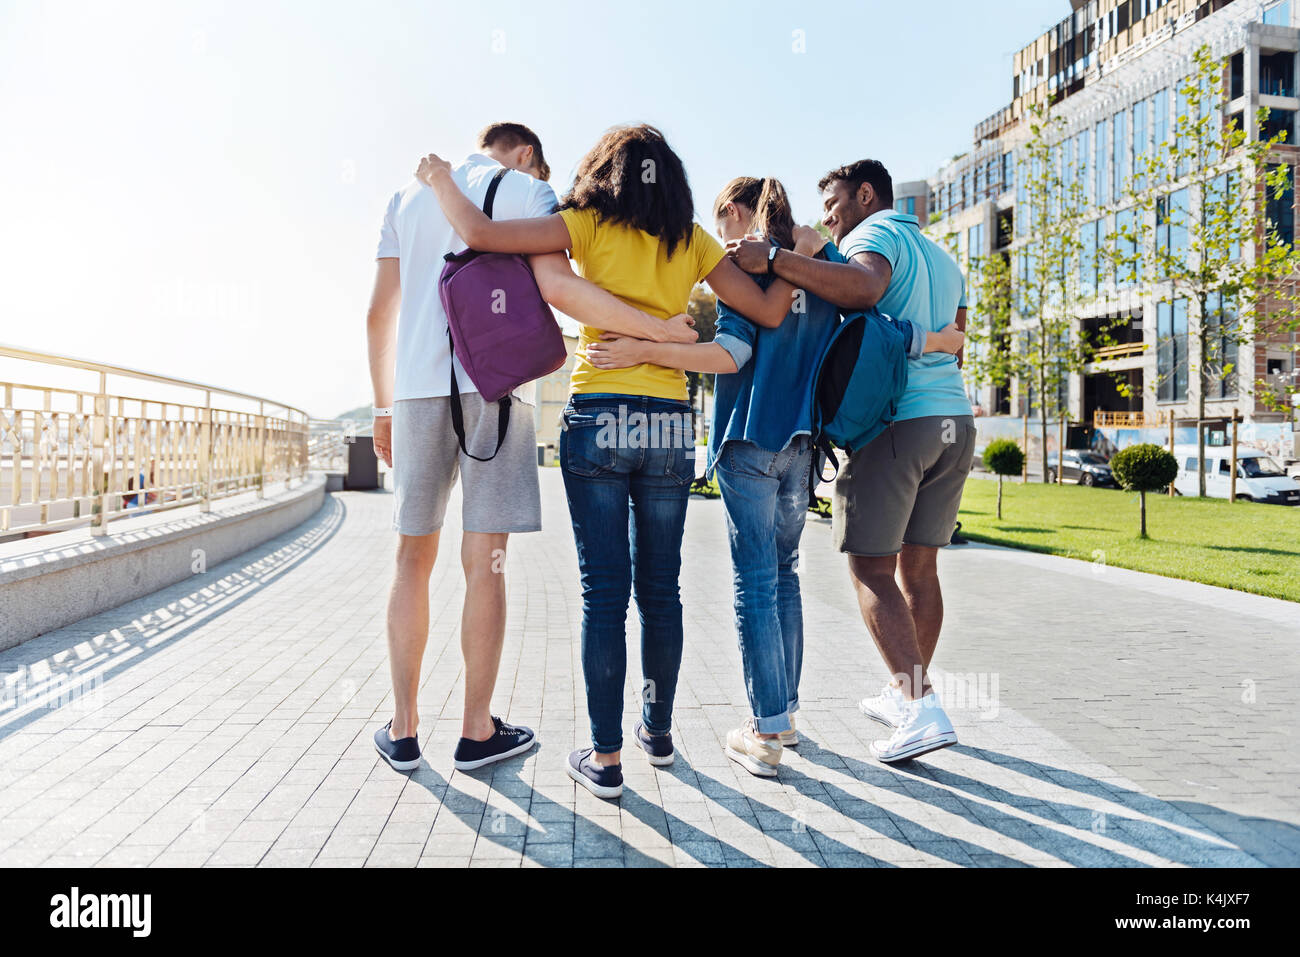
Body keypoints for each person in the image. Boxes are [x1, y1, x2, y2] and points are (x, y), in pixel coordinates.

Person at [415, 124, 818, 798]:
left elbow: (480, 235)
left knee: (605, 593)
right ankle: (656, 733)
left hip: (600, 416)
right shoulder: (689, 238)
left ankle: (605, 760)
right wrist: (793, 253)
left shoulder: (584, 221)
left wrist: (438, 179)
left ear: (603, 171)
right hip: (665, 423)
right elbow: (771, 312)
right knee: (662, 589)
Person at [588, 177, 962, 777]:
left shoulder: (751, 265)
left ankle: (763, 730)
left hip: (750, 439)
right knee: (784, 576)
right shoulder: (822, 260)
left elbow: (732, 355)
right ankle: (784, 716)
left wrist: (644, 350)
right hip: (803, 447)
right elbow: (872, 322)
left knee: (755, 582)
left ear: (735, 212)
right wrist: (938, 339)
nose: (721, 241)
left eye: (722, 221)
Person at [366, 122, 696, 774]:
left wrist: (381, 406)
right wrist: (658, 331)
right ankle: (476, 729)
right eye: (541, 166)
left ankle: (403, 730)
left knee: (412, 555)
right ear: (525, 153)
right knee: (484, 559)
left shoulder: (406, 196)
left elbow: (380, 311)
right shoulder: (527, 191)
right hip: (498, 389)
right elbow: (561, 288)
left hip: (414, 393)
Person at [730, 159, 975, 764]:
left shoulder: (874, 234)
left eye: (836, 203)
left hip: (898, 425)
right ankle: (906, 691)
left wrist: (778, 261)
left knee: (870, 569)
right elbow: (959, 340)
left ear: (867, 195)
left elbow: (863, 289)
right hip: (954, 423)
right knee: (920, 571)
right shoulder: (943, 258)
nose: (830, 218)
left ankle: (920, 707)